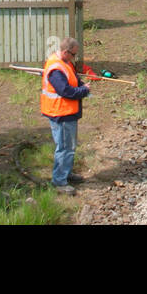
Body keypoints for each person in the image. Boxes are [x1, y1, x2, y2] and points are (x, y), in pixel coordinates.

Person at [40, 36, 91, 194]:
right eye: (73, 54)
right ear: (65, 52)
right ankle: (59, 181)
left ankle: (66, 173)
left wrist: (80, 84)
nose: (74, 58)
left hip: (67, 112)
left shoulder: (65, 62)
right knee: (64, 147)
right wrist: (84, 90)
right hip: (60, 113)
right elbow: (65, 91)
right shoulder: (55, 68)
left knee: (70, 146)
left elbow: (73, 80)